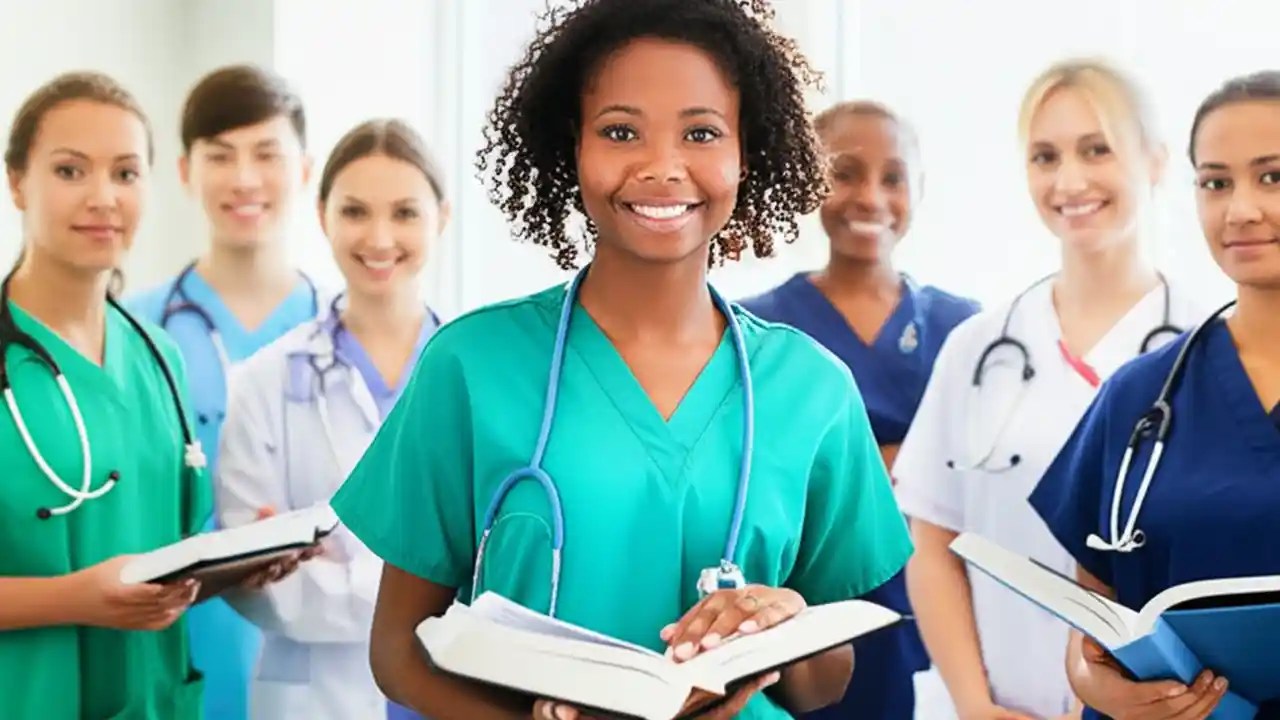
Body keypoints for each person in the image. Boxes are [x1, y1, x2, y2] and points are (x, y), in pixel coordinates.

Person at [328, 0, 913, 718]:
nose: (662, 166)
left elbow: (827, 679)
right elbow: (398, 651)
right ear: (573, 146)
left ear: (745, 153)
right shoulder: (471, 367)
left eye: (701, 132)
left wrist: (786, 621)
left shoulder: (812, 391)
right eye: (620, 131)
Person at [892, 59, 1211, 720]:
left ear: (1154, 161)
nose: (1069, 180)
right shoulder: (980, 348)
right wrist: (975, 705)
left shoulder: (1210, 349)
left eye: (1097, 149)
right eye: (1045, 156)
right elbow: (930, 541)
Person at [0, 71, 302, 720]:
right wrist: (73, 599)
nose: (103, 197)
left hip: (152, 700)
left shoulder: (159, 357)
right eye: (71, 171)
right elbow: (98, 589)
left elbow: (158, 563)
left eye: (127, 174)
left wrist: (236, 563)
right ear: (17, 181)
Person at [1028, 70, 1280, 720]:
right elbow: (1092, 633)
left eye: (1272, 176)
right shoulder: (1139, 396)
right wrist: (1098, 687)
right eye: (1216, 182)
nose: (1241, 208)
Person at [740, 99, 979, 720]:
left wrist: (860, 466)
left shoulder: (965, 330)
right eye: (845, 172)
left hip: (936, 616)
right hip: (803, 621)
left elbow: (980, 478)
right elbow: (754, 475)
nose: (870, 196)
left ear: (919, 190)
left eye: (893, 177)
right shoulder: (756, 331)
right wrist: (902, 466)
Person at [215, 118, 445, 720]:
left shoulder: (478, 377)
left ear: (442, 217)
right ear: (322, 216)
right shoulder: (264, 381)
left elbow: (505, 564)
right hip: (320, 700)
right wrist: (433, 594)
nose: (378, 236)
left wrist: (330, 567)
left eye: (404, 213)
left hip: (453, 693)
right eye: (355, 212)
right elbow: (248, 577)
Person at [125, 63, 322, 720]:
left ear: (303, 169)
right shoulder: (136, 327)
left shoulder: (341, 333)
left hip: (321, 659)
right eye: (221, 156)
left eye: (266, 154)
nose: (243, 178)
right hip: (181, 644)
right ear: (185, 172)